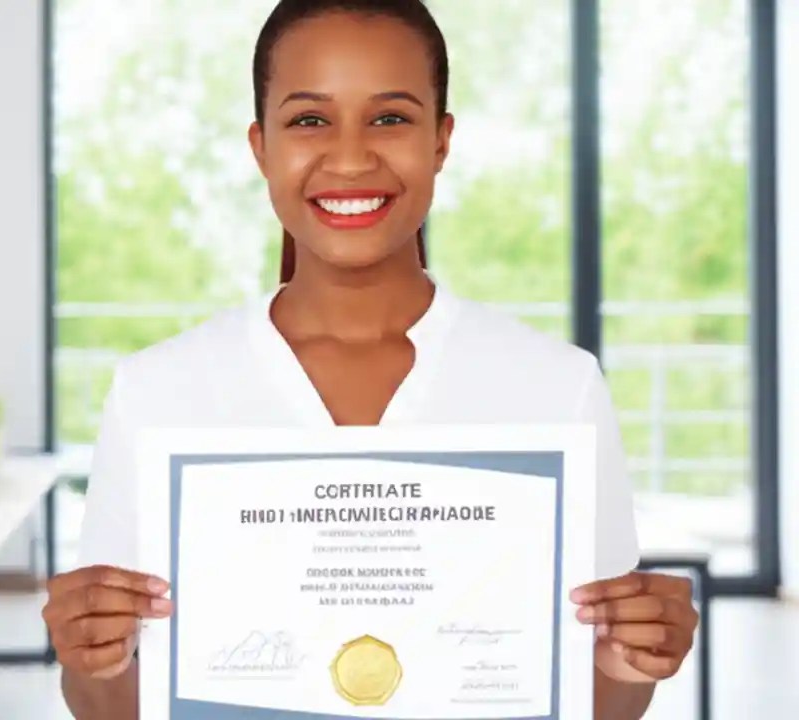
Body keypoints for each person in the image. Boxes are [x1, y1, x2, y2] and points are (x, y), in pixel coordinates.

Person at [41, 1, 700, 718]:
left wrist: (630, 663)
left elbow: (597, 700)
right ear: (261, 147)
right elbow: (107, 701)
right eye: (309, 120)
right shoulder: (155, 392)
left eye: (390, 118)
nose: (351, 158)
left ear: (441, 140)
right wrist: (91, 657)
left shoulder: (558, 387)